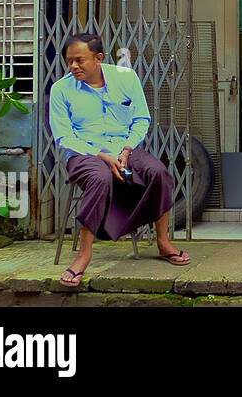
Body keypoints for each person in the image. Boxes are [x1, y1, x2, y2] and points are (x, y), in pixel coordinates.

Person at [49, 33, 188, 288]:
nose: (73, 67)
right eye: (69, 61)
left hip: (124, 148)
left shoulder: (126, 78)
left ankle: (163, 241)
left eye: (79, 61)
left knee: (158, 172)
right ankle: (84, 254)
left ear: (99, 58)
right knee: (101, 177)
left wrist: (126, 150)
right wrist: (100, 155)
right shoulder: (61, 90)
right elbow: (64, 137)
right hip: (85, 153)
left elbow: (141, 119)